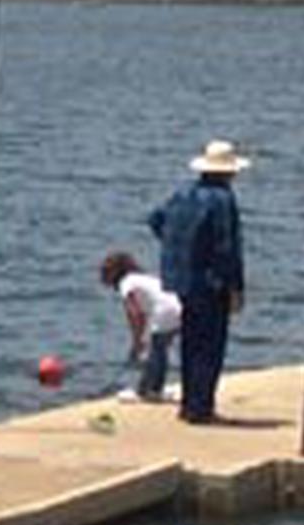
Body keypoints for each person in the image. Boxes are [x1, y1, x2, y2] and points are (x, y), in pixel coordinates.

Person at [149, 139, 249, 424]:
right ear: (229, 172)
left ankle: (188, 405)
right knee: (210, 346)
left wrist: (178, 248)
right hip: (211, 282)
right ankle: (201, 408)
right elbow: (227, 248)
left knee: (190, 342)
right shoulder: (223, 200)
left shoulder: (182, 193)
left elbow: (155, 220)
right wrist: (236, 287)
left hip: (182, 280)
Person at [98, 250, 180, 404]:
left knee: (156, 349)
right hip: (178, 305)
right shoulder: (140, 278)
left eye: (106, 272)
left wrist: (136, 341)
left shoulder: (126, 283)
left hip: (166, 311)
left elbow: (135, 314)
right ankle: (149, 388)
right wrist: (142, 339)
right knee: (158, 348)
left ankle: (151, 390)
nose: (103, 277)